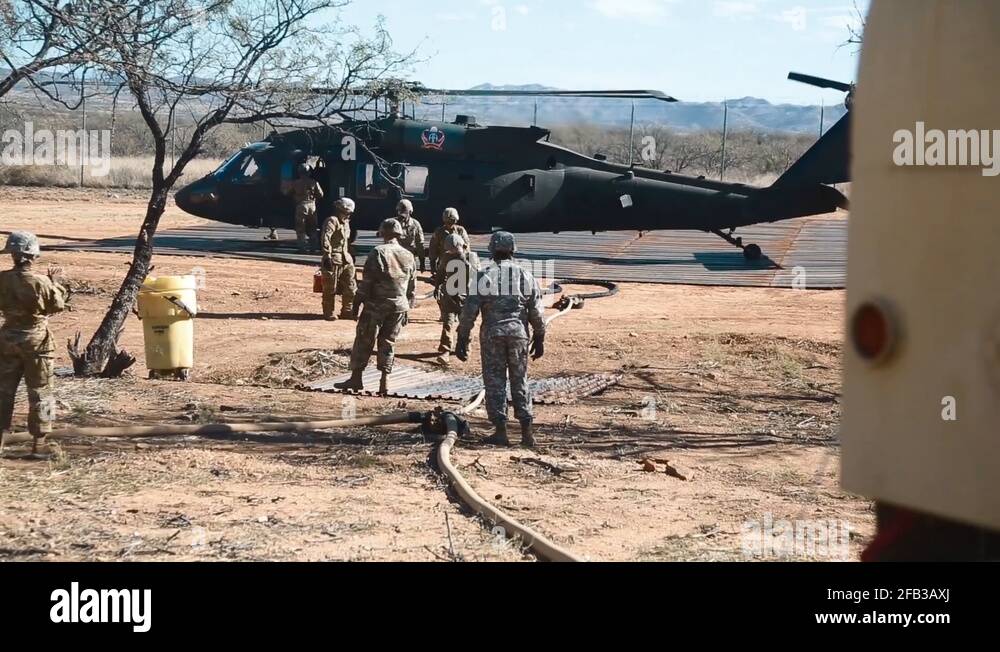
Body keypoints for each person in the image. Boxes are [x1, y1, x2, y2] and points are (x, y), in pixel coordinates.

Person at [456, 232, 545, 447]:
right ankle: (526, 432)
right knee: (520, 379)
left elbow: (469, 311)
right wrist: (540, 336)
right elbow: (536, 310)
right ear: (512, 250)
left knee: (495, 381)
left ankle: (501, 431)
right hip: (518, 335)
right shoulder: (525, 275)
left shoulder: (484, 274)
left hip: (492, 335)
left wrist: (462, 338)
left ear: (492, 249)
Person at [0, 232, 70, 454]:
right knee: (41, 391)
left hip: (7, 340)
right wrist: (56, 284)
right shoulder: (41, 282)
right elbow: (57, 306)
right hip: (37, 343)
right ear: (33, 255)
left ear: (12, 254)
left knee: (4, 391)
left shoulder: (2, 279)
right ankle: (39, 443)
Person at [335, 219, 416, 396]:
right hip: (399, 306)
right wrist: (408, 308)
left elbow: (367, 282)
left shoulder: (378, 252)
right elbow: (412, 287)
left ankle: (356, 378)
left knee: (364, 339)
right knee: (388, 342)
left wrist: (356, 304)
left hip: (376, 305)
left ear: (383, 232)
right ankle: (384, 382)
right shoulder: (408, 255)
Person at [433, 233, 478, 366]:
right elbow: (440, 273)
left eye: (453, 249)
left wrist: (462, 257)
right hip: (449, 296)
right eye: (449, 249)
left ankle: (465, 346)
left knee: (465, 325)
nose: (451, 251)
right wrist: (437, 287)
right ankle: (445, 351)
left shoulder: (471, 257)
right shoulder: (446, 257)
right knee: (447, 323)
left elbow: (474, 274)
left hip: (466, 297)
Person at [319, 198, 358, 321]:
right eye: (347, 212)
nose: (348, 214)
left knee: (351, 287)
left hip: (346, 259)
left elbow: (346, 241)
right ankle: (328, 312)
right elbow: (326, 238)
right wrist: (327, 256)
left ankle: (347, 311)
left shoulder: (346, 222)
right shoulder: (332, 221)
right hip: (334, 259)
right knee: (331, 287)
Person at [289, 163, 324, 253]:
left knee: (301, 229)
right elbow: (321, 194)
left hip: (301, 206)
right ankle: (313, 248)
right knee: (313, 228)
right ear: (309, 172)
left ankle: (302, 248)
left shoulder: (295, 183)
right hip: (312, 206)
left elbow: (288, 192)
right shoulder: (314, 182)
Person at [428, 207, 471, 273]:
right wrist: (432, 265)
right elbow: (432, 248)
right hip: (443, 263)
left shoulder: (460, 230)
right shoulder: (439, 232)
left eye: (452, 221)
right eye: (447, 221)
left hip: (459, 262)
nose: (450, 223)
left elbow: (466, 246)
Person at [394, 199, 426, 274]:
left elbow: (420, 244)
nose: (402, 215)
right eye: (400, 212)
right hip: (395, 258)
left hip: (409, 258)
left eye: (404, 212)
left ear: (410, 212)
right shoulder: (392, 223)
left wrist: (422, 262)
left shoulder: (415, 224)